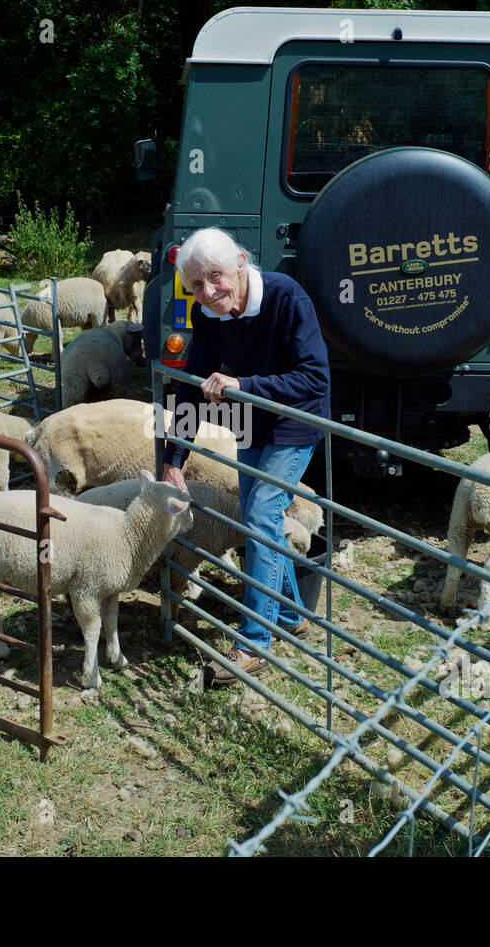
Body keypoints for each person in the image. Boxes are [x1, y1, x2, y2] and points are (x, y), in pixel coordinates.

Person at [160, 227, 330, 685]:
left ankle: (253, 642)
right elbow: (191, 386)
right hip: (252, 417)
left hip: (295, 419)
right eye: (196, 284)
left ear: (239, 263)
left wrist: (243, 385)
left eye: (215, 276)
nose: (208, 291)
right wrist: (174, 457)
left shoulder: (285, 297)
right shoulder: (207, 315)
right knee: (259, 519)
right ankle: (292, 616)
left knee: (259, 515)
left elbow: (314, 378)